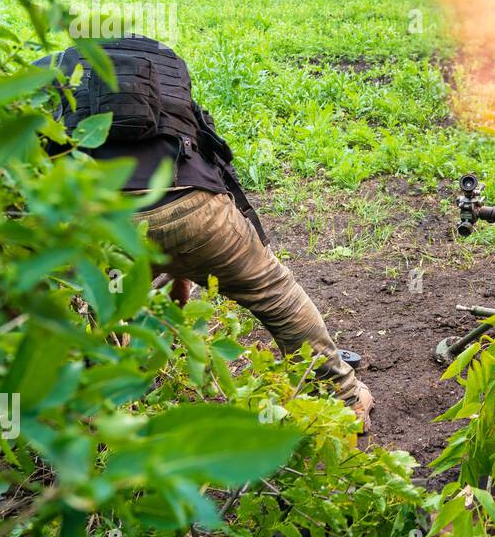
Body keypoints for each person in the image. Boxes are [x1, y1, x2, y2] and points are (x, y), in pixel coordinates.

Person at [40, 35, 374, 429]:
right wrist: (182, 272)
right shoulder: (170, 96)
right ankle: (344, 398)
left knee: (100, 309)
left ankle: (100, 424)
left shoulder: (57, 97)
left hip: (104, 220)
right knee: (275, 293)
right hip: (194, 209)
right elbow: (208, 158)